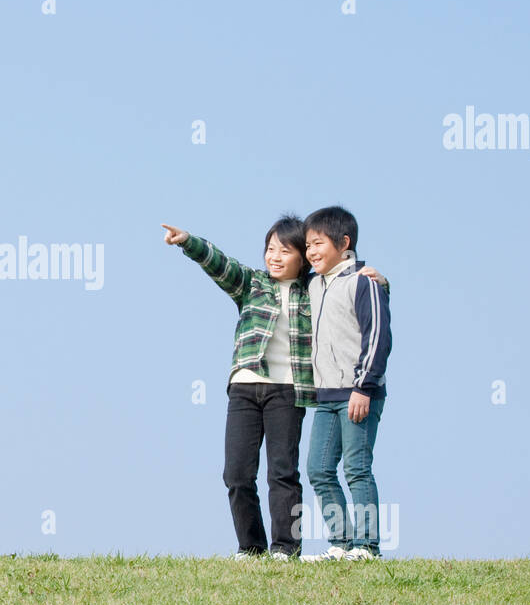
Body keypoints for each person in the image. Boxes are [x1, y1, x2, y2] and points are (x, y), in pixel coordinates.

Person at [162, 219, 386, 561]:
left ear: (302, 257)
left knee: (283, 472)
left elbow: (353, 289)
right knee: (236, 474)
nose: (275, 257)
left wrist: (382, 282)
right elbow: (218, 262)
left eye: (286, 250)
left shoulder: (313, 289)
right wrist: (187, 241)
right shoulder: (251, 284)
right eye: (270, 249)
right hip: (244, 389)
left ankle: (286, 547)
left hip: (288, 391)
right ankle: (251, 548)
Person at [298, 206, 392, 562]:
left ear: (344, 243)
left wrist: (363, 388)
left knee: (356, 468)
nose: (311, 252)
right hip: (325, 396)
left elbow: (378, 336)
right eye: (307, 245)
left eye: (318, 243)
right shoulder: (313, 284)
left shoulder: (363, 281)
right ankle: (340, 544)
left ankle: (367, 547)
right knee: (319, 469)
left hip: (358, 393)